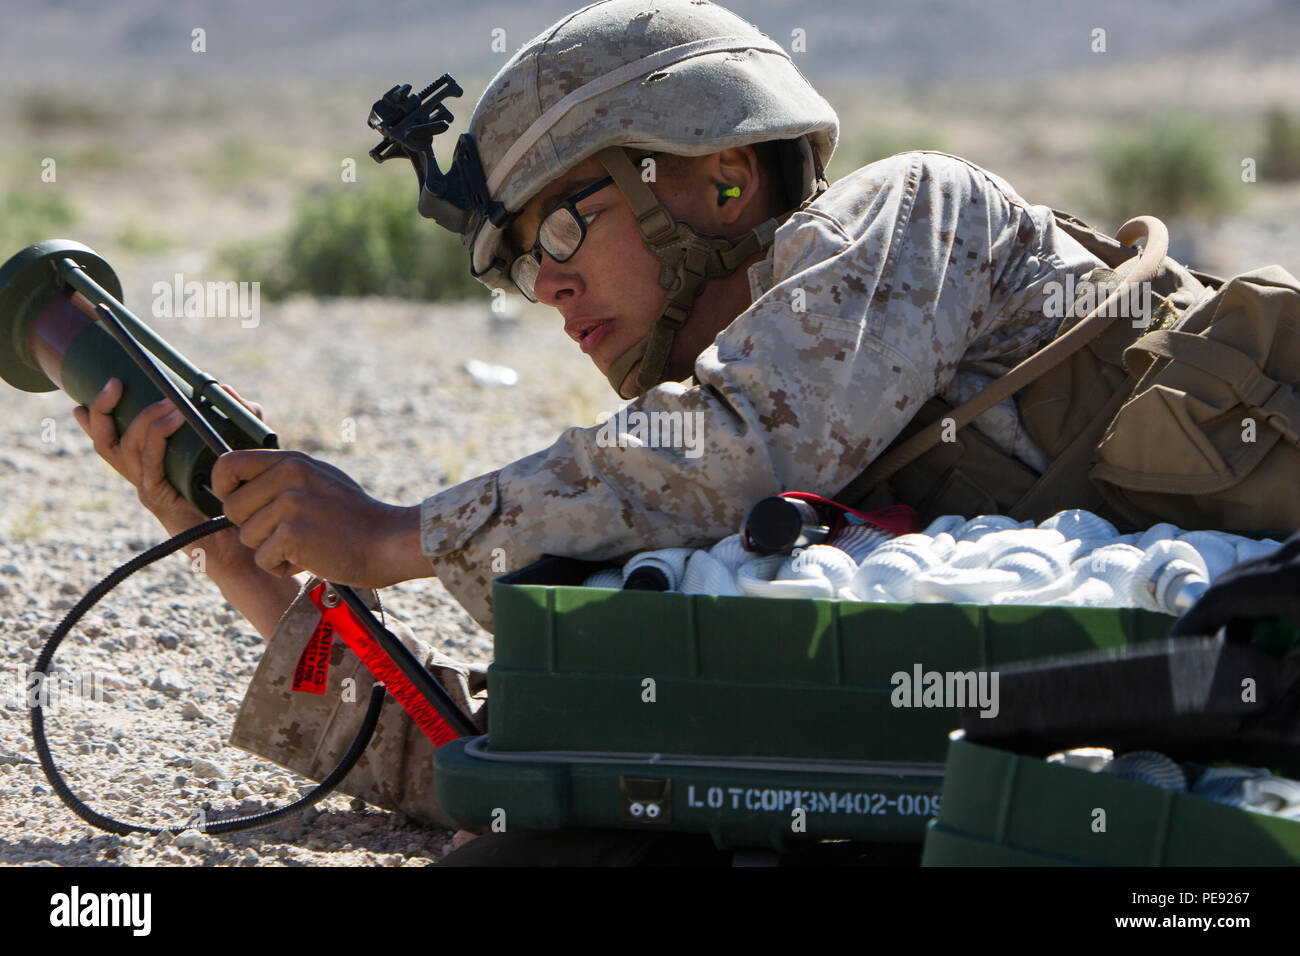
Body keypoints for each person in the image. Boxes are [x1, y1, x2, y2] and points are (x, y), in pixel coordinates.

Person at [73, 0, 1125, 843]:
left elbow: (749, 442)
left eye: (565, 225)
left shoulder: (914, 214)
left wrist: (397, 536)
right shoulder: (699, 496)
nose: (551, 289)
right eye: (532, 264)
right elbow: (515, 762)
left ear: (721, 177)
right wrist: (248, 562)